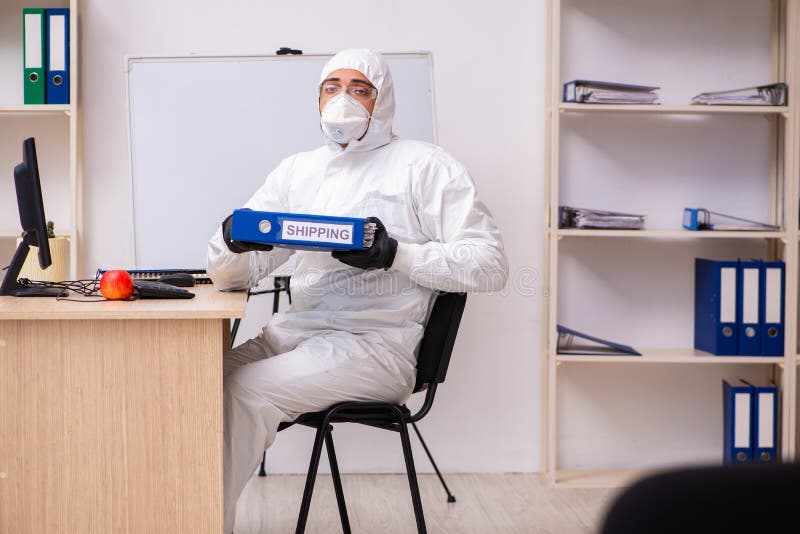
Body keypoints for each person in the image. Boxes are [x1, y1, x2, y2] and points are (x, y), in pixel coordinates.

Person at [207, 47, 508, 533]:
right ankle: (169, 510)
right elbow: (231, 276)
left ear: (382, 100)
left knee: (242, 390)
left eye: (359, 89)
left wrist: (396, 254)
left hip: (376, 347)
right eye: (331, 88)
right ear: (317, 98)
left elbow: (490, 265)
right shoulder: (297, 172)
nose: (342, 100)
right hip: (295, 336)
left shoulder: (425, 166)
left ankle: (201, 523)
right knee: (185, 381)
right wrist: (231, 241)